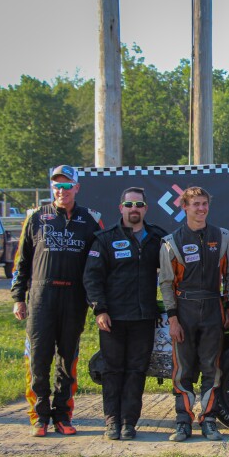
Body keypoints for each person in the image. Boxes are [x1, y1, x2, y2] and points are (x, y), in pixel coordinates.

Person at [11, 165, 103, 437]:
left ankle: (63, 415)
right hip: (41, 296)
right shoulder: (36, 217)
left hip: (74, 298)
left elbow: (98, 264)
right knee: (38, 360)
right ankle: (39, 417)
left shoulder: (91, 219)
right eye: (56, 186)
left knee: (68, 360)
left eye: (66, 185)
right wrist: (18, 298)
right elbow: (21, 262)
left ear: (77, 187)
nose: (61, 191)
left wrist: (97, 302)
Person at [83, 187, 166, 440]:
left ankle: (129, 422)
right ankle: (111, 421)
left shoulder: (157, 238)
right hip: (113, 319)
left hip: (143, 318)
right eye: (129, 205)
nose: (134, 209)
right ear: (121, 208)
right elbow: (92, 277)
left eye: (139, 204)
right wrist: (100, 310)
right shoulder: (105, 238)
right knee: (112, 370)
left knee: (136, 371)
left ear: (145, 208)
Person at [159, 186, 229, 442]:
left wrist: (228, 307)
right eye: (195, 204)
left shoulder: (222, 236)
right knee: (183, 369)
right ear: (184, 207)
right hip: (184, 309)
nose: (201, 208)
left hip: (213, 307)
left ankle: (209, 420)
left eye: (204, 203)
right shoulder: (172, 241)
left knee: (212, 368)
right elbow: (166, 284)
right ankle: (183, 421)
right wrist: (172, 318)